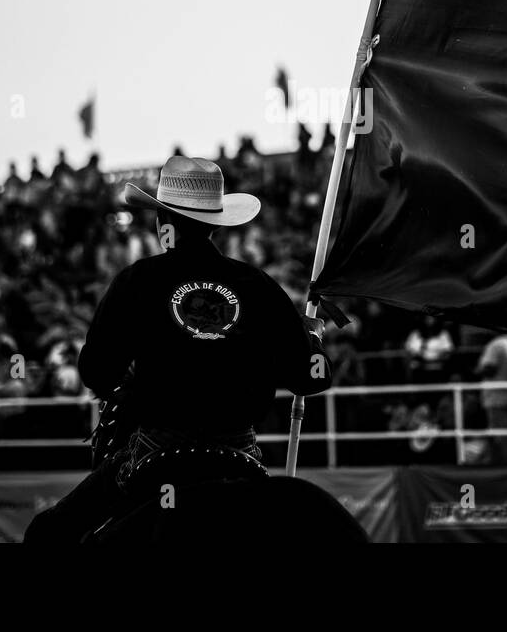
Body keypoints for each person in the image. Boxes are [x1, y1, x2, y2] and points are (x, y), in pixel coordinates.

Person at [26, 155, 330, 543]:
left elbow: (96, 373)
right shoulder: (258, 285)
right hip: (239, 452)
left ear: (162, 222)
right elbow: (311, 377)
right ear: (214, 226)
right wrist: (313, 337)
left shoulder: (137, 280)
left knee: (48, 534)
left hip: (157, 452)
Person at [476, 331, 507, 465]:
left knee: (500, 436)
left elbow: (489, 369)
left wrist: (477, 370)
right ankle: (503, 464)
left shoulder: (495, 345)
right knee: (502, 434)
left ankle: (505, 467)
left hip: (496, 397)